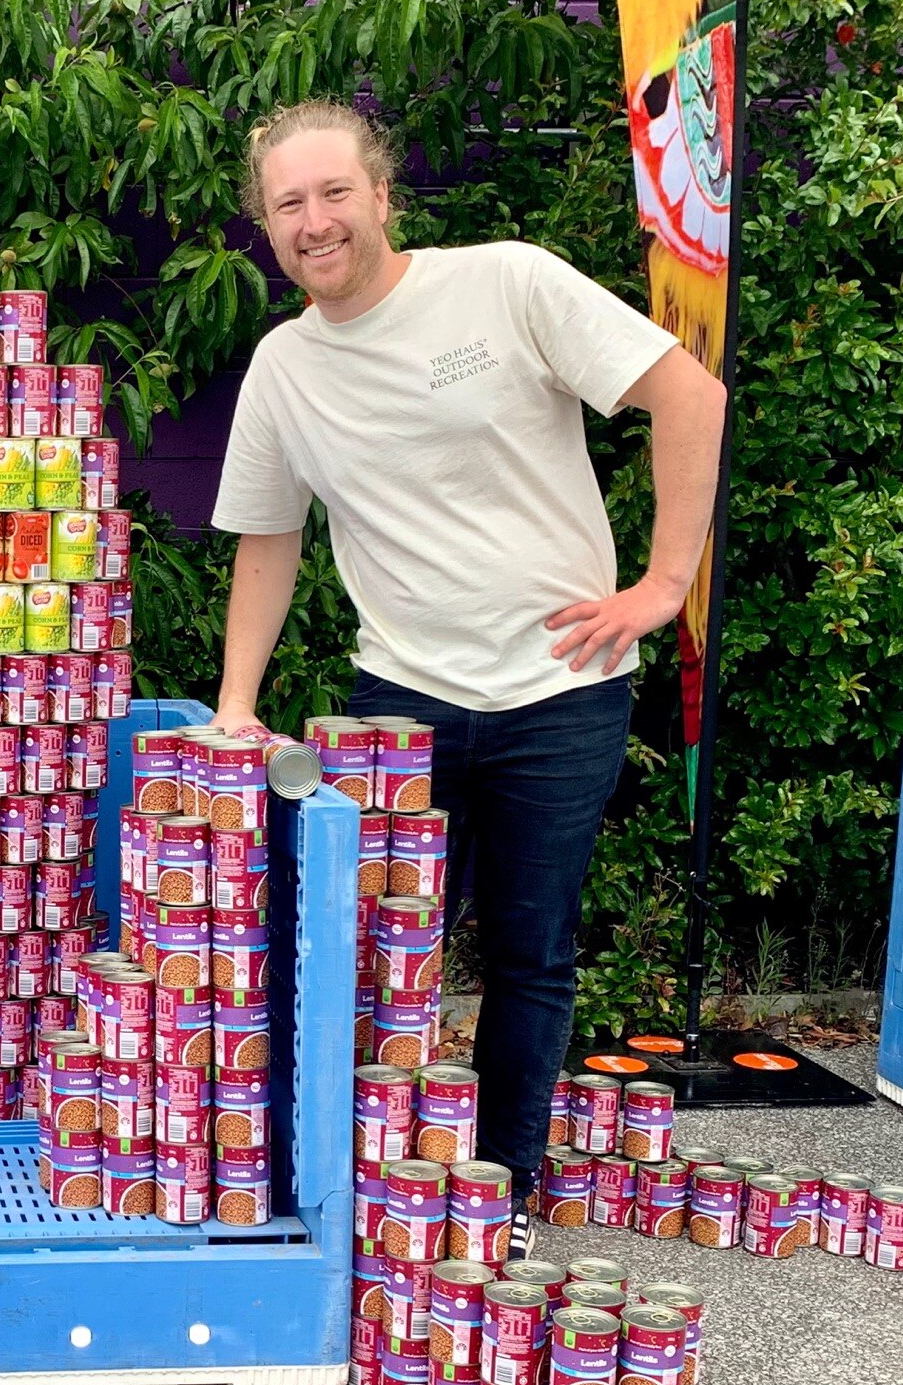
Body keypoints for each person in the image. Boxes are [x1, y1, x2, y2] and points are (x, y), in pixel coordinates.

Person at [207, 100, 729, 1200]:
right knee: (368, 959)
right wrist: (235, 700)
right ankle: (362, 1192)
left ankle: (504, 1190)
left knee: (532, 954)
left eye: (334, 192)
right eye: (289, 203)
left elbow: (688, 391)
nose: (315, 221)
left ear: (383, 197)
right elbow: (268, 538)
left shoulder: (506, 282)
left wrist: (664, 586)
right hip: (400, 701)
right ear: (268, 227)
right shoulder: (282, 368)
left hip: (562, 689)